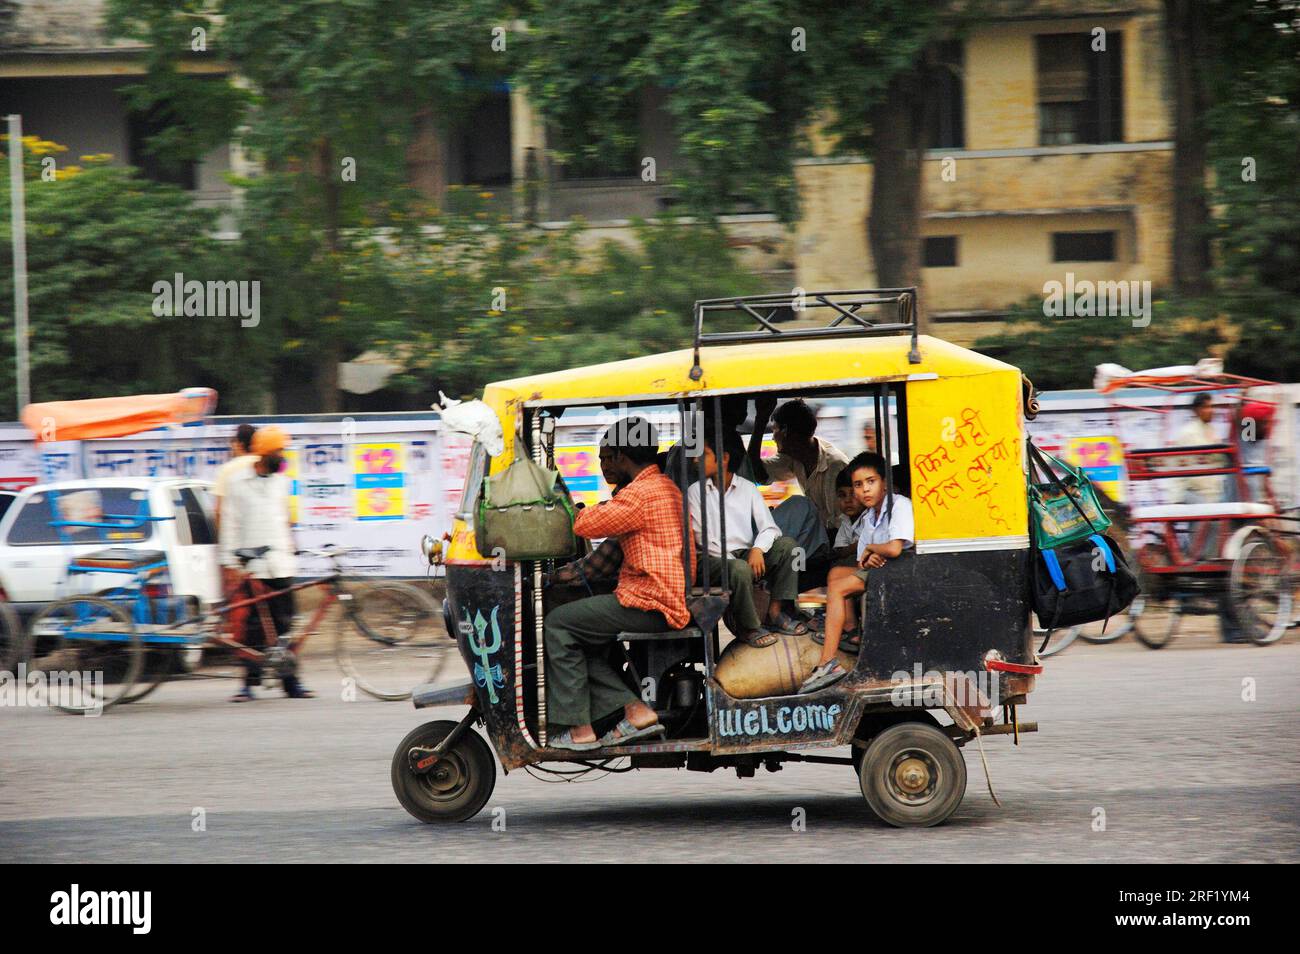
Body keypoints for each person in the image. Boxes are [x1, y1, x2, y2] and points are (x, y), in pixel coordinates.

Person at [544, 417, 691, 751]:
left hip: (652, 601)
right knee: (581, 636)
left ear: (624, 457)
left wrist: (555, 491)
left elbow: (582, 524)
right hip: (660, 595)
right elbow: (606, 557)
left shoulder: (638, 495)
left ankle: (583, 728)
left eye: (609, 458)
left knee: (557, 626)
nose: (605, 465)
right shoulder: (663, 486)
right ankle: (630, 708)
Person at [801, 452, 913, 694]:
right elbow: (863, 559)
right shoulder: (871, 516)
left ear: (884, 482)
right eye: (858, 485)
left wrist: (874, 549)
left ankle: (827, 662)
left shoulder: (899, 506)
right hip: (880, 569)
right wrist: (870, 554)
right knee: (836, 574)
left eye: (871, 482)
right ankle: (851, 633)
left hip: (899, 572)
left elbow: (894, 548)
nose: (864, 490)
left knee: (838, 588)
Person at [219, 425, 314, 702]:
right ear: (264, 453)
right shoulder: (238, 483)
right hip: (252, 567)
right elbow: (230, 526)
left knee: (286, 625)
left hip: (281, 564)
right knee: (252, 629)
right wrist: (230, 564)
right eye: (278, 451)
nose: (282, 456)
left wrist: (293, 548)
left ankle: (291, 683)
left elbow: (285, 518)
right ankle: (248, 684)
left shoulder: (282, 482)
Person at [689, 429, 808, 647]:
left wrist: (757, 550)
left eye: (703, 454)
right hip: (711, 560)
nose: (695, 459)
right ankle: (749, 627)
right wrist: (739, 562)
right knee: (739, 568)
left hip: (743, 554)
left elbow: (770, 528)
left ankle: (776, 611)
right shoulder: (695, 492)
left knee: (788, 546)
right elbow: (703, 540)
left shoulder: (747, 489)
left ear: (724, 458)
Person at [749, 397, 849, 587]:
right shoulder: (794, 457)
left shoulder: (834, 465)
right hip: (815, 535)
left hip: (831, 541)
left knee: (799, 505)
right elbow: (757, 473)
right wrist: (760, 422)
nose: (772, 436)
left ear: (786, 432)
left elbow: (839, 525)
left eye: (775, 429)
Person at [212, 423, 258, 528]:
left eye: (233, 441)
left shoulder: (226, 470)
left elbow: (219, 511)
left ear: (240, 444)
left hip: (237, 537)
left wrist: (221, 540)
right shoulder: (264, 466)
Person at [830, 464, 865, 564]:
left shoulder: (870, 517)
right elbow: (840, 550)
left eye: (853, 494)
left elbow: (868, 545)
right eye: (842, 495)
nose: (847, 500)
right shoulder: (845, 520)